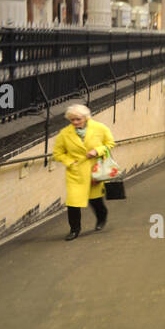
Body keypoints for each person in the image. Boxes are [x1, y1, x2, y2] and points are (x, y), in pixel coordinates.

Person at [52, 103, 115, 241]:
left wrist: (97, 150)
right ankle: (74, 230)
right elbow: (57, 153)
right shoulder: (64, 134)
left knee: (95, 200)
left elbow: (110, 143)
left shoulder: (100, 128)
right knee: (73, 202)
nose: (75, 122)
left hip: (95, 171)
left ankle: (101, 217)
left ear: (86, 118)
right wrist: (70, 162)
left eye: (78, 119)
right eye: (72, 120)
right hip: (76, 173)